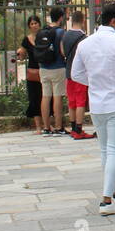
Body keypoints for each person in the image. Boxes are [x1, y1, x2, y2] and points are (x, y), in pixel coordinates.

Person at [70, 3, 115, 216]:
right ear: (113, 21)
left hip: (96, 103)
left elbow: (76, 73)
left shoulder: (85, 43)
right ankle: (107, 199)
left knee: (106, 149)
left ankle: (112, 189)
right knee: (114, 150)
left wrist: (96, 81)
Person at [35, 7, 69, 135]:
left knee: (45, 97)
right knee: (57, 97)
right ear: (61, 17)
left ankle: (46, 127)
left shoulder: (43, 31)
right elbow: (62, 51)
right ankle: (59, 126)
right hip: (58, 67)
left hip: (43, 68)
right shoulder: (61, 32)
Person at [61, 11, 94, 139]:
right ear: (83, 20)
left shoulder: (65, 35)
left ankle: (73, 126)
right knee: (81, 102)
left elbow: (63, 52)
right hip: (80, 74)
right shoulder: (84, 38)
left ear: (71, 20)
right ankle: (79, 129)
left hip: (68, 72)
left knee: (72, 102)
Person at [16, 15, 43, 134]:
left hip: (44, 71)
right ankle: (38, 126)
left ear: (39, 24)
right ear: (29, 26)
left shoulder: (44, 37)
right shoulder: (26, 40)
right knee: (34, 99)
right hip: (32, 72)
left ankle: (48, 124)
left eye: (36, 23)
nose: (34, 25)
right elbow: (21, 57)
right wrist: (20, 53)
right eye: (32, 24)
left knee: (47, 98)